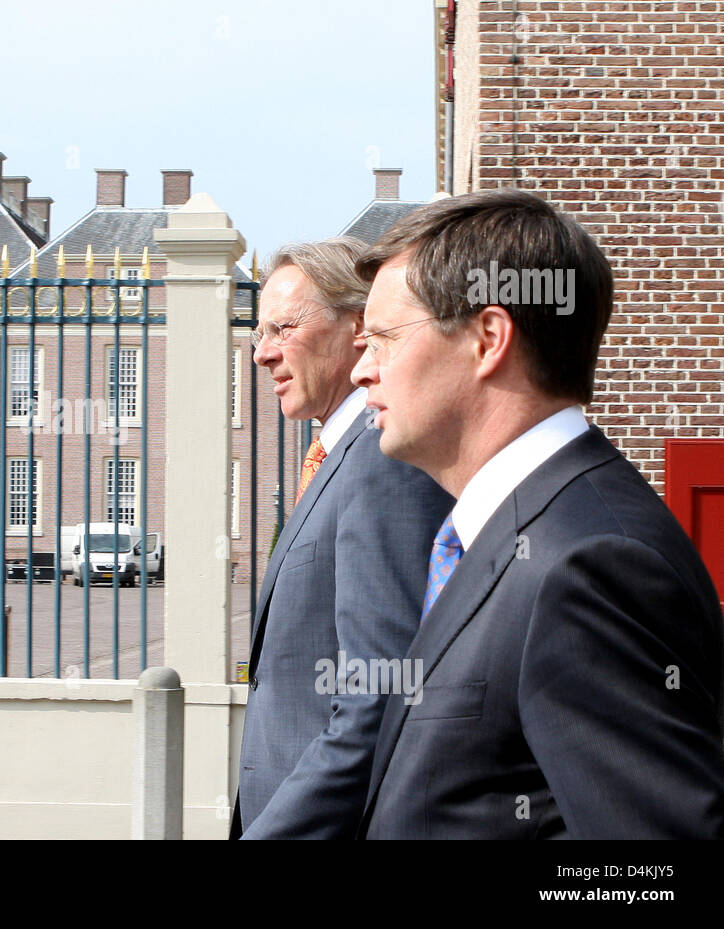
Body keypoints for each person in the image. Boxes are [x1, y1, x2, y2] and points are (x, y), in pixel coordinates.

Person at [351, 187, 724, 838]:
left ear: (488, 338)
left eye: (382, 338)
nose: (362, 370)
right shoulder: (516, 532)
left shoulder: (587, 565)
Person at [232, 238, 452, 839]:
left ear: (359, 327)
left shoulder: (382, 460)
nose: (262, 354)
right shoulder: (337, 454)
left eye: (282, 328)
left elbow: (378, 695)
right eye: (259, 335)